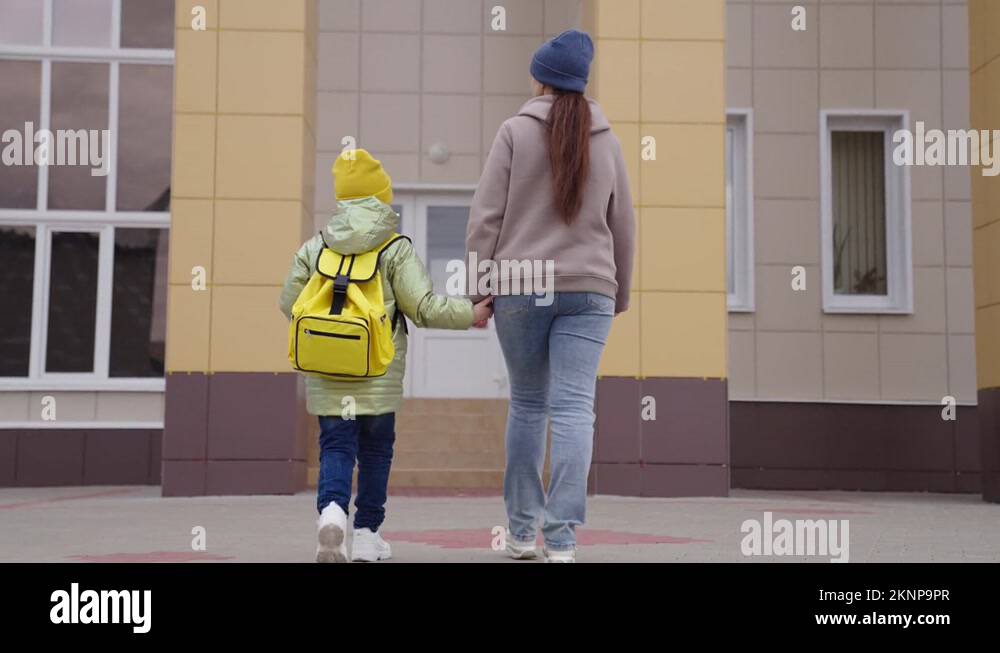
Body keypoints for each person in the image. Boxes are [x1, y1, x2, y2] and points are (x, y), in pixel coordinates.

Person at [466, 30, 636, 563]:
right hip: (591, 289)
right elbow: (623, 223)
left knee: (530, 404)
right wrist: (618, 291)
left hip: (521, 286)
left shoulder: (514, 132)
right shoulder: (607, 140)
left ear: (539, 78)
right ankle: (562, 540)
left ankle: (520, 533)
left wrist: (478, 290)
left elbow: (485, 217)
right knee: (574, 408)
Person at [280, 149, 494, 563]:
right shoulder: (395, 250)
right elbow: (425, 308)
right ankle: (366, 535)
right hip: (378, 373)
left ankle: (332, 514)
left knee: (336, 448)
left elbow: (289, 303)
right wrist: (472, 312)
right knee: (375, 453)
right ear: (381, 199)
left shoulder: (315, 247)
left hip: (327, 375)